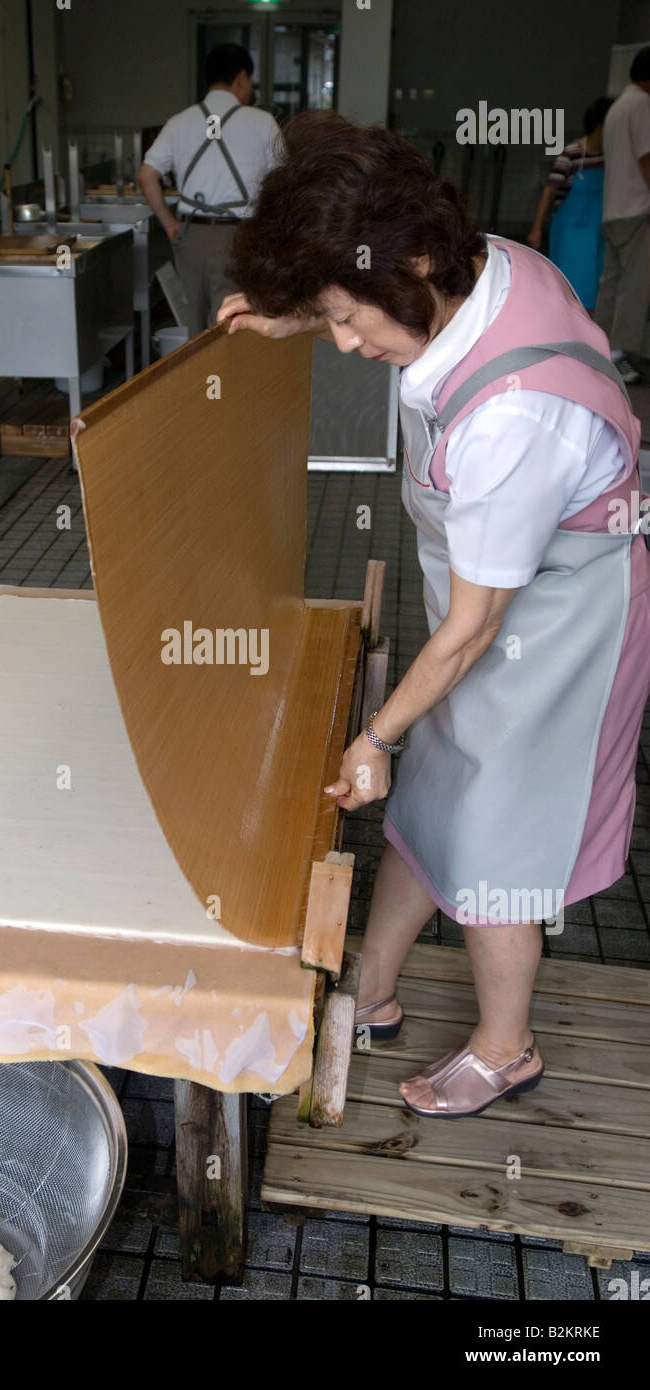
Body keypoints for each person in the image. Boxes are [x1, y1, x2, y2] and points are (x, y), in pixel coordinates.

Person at [218, 113, 650, 1119]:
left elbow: (469, 633)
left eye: (344, 313)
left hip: (557, 625)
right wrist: (296, 314)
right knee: (428, 798)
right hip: (492, 603)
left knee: (503, 833)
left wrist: (374, 733)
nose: (344, 339)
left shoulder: (514, 417)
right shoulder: (474, 265)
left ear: (409, 260)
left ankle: (509, 1046)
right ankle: (371, 986)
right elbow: (463, 627)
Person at [138, 43, 281, 336]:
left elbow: (146, 176)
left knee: (194, 329)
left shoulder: (179, 123)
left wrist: (169, 225)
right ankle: (230, 380)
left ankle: (200, 380)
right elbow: (284, 183)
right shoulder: (262, 122)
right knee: (234, 325)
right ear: (242, 78)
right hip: (239, 238)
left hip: (191, 237)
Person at [594, 48, 650, 384]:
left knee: (611, 283)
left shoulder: (617, 106)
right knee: (634, 285)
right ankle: (620, 355)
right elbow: (647, 159)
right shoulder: (643, 105)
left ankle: (600, 348)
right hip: (636, 208)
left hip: (614, 209)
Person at [527, 97, 612, 311]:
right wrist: (537, 228)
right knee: (568, 287)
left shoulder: (608, 156)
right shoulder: (571, 153)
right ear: (601, 125)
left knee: (594, 287)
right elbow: (549, 191)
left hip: (596, 234)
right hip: (569, 234)